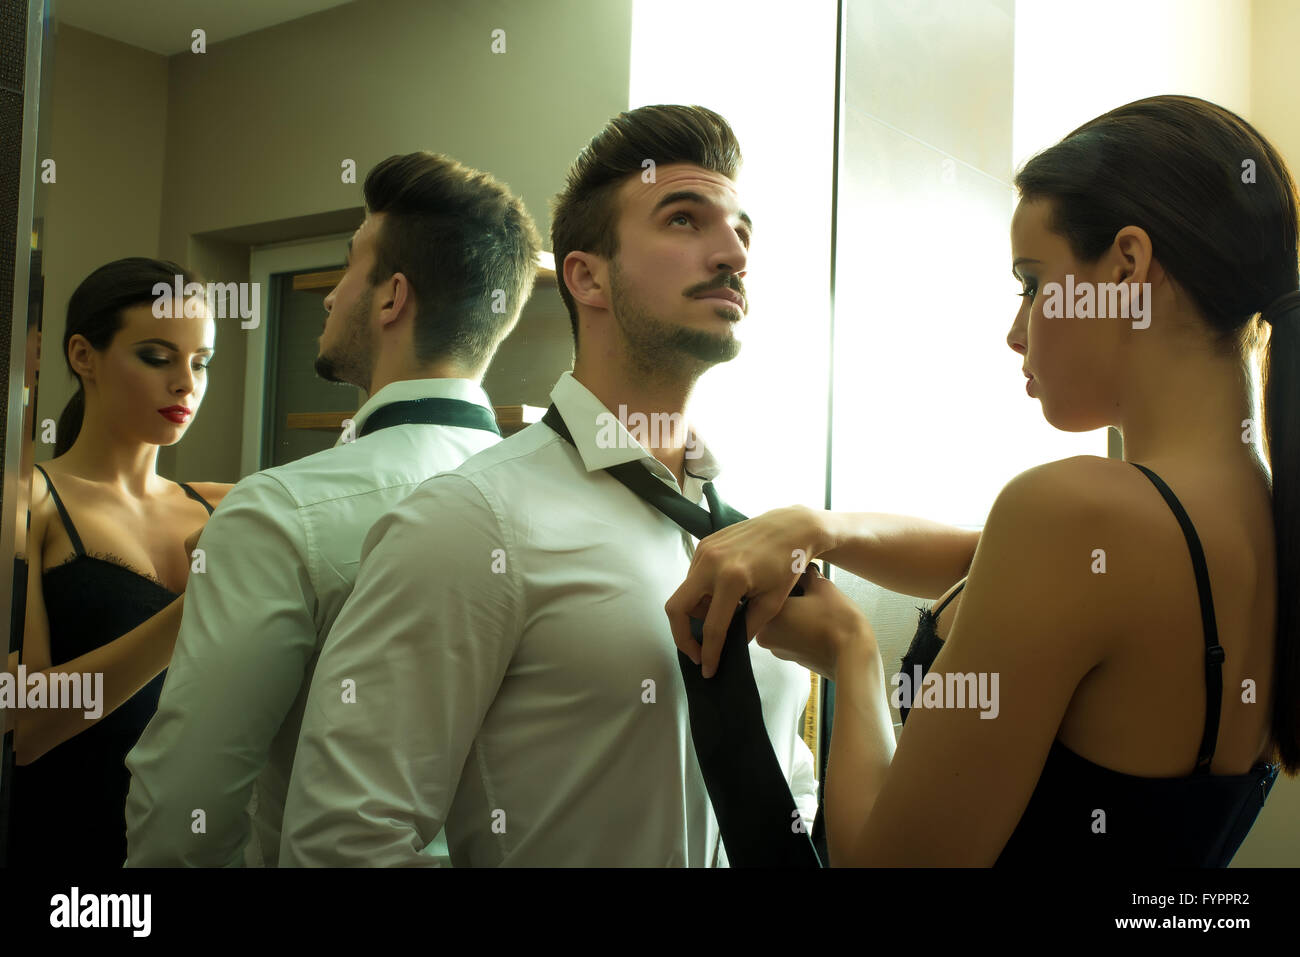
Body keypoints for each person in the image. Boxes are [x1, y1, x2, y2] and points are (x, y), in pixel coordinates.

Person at [668, 94, 1295, 866]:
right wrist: (818, 528)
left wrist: (850, 653)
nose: (1016, 329)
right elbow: (990, 560)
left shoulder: (1076, 513)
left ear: (1127, 266)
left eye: (1032, 282)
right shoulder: (1259, 518)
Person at [279, 105, 818, 866]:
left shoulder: (744, 536)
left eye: (742, 231)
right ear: (586, 276)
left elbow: (788, 788)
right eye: (684, 220)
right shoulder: (471, 522)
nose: (733, 252)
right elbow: (344, 843)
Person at [124, 152, 541, 867]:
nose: (327, 295)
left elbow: (184, 812)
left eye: (350, 265)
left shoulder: (280, 514)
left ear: (391, 297)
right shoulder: (557, 505)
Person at [7, 257, 232, 868]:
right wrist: (201, 605)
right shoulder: (29, 502)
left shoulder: (227, 508)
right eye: (158, 357)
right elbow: (21, 728)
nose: (186, 383)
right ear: (84, 356)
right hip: (69, 850)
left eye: (201, 362)